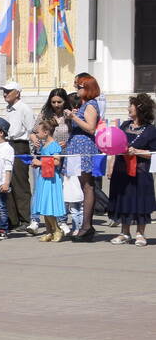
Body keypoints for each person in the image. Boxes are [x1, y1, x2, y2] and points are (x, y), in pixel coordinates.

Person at [107, 93, 156, 245]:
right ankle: (124, 232)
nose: (129, 108)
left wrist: (138, 152)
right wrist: (111, 165)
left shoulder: (151, 130)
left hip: (141, 172)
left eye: (131, 105)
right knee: (124, 200)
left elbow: (154, 153)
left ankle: (140, 233)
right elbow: (116, 147)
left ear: (140, 108)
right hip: (121, 170)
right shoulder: (124, 126)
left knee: (140, 201)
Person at [63, 74, 103, 242]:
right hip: (76, 147)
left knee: (87, 186)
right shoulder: (83, 105)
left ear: (87, 88)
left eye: (79, 86)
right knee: (83, 185)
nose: (76, 89)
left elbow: (91, 128)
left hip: (84, 147)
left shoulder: (91, 105)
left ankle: (86, 226)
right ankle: (85, 226)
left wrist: (74, 117)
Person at [0, 81, 34, 230]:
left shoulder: (24, 109)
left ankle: (25, 218)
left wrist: (32, 153)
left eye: (8, 91)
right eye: (4, 91)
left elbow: (31, 130)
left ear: (17, 93)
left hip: (20, 145)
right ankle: (12, 219)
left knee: (20, 183)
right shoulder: (7, 109)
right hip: (8, 144)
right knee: (8, 181)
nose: (5, 93)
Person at [29, 121, 66, 242]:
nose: (36, 134)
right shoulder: (44, 145)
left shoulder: (54, 145)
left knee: (48, 206)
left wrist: (40, 163)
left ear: (45, 132)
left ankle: (57, 230)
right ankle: (49, 231)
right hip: (43, 176)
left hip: (51, 179)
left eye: (38, 132)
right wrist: (38, 165)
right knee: (43, 205)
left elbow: (56, 162)